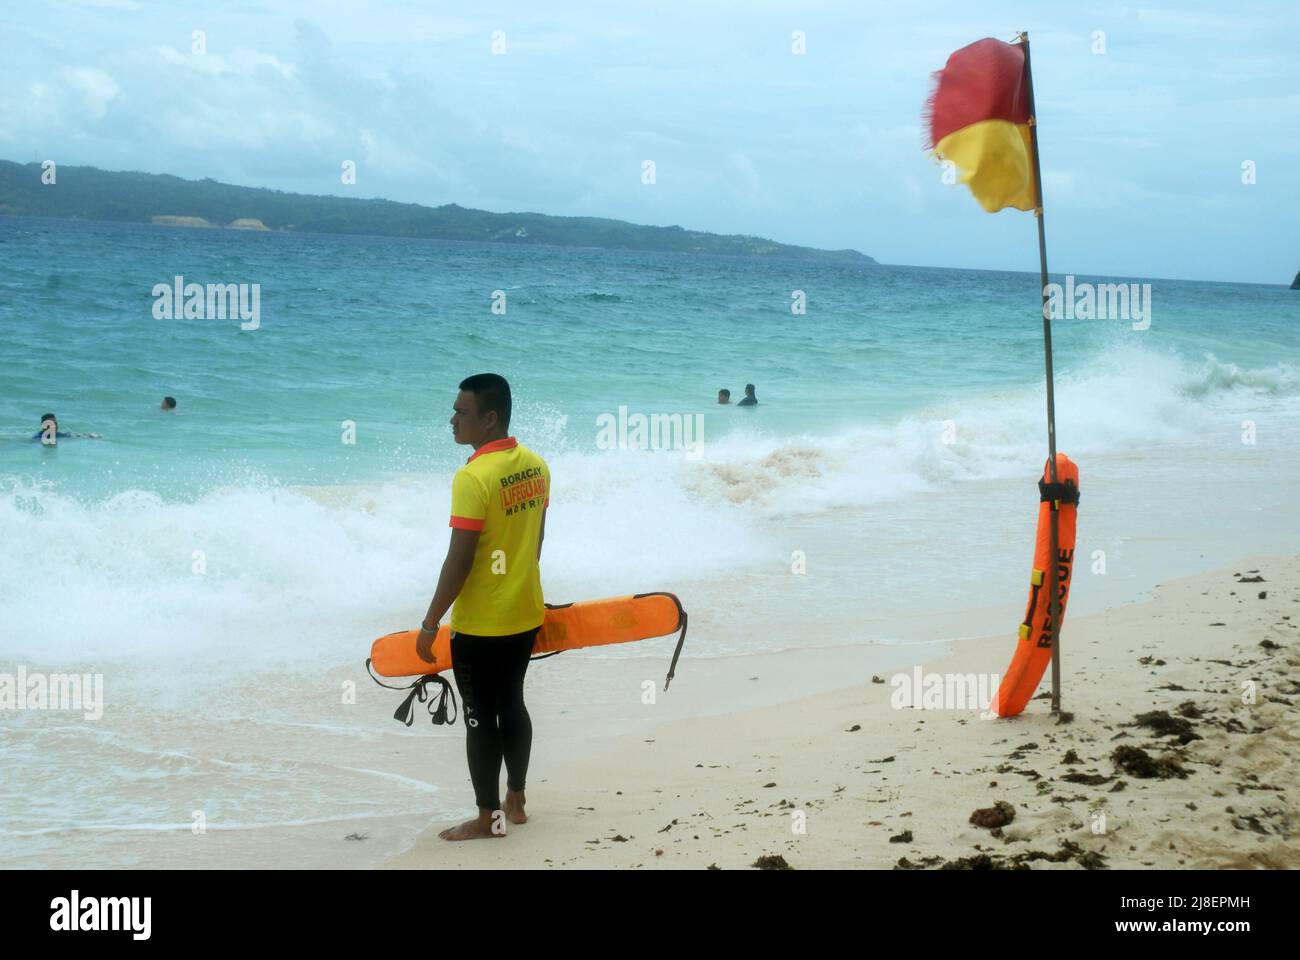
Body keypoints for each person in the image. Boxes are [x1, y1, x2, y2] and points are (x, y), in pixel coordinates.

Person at [416, 373, 550, 841]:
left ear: (489, 418)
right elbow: (534, 542)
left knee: (479, 718)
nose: (452, 419)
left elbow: (460, 558)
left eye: (462, 412)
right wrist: (521, 586)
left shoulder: (473, 477)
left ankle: (486, 819)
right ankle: (515, 798)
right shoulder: (535, 465)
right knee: (511, 702)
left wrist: (431, 622)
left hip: (481, 627)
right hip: (525, 612)